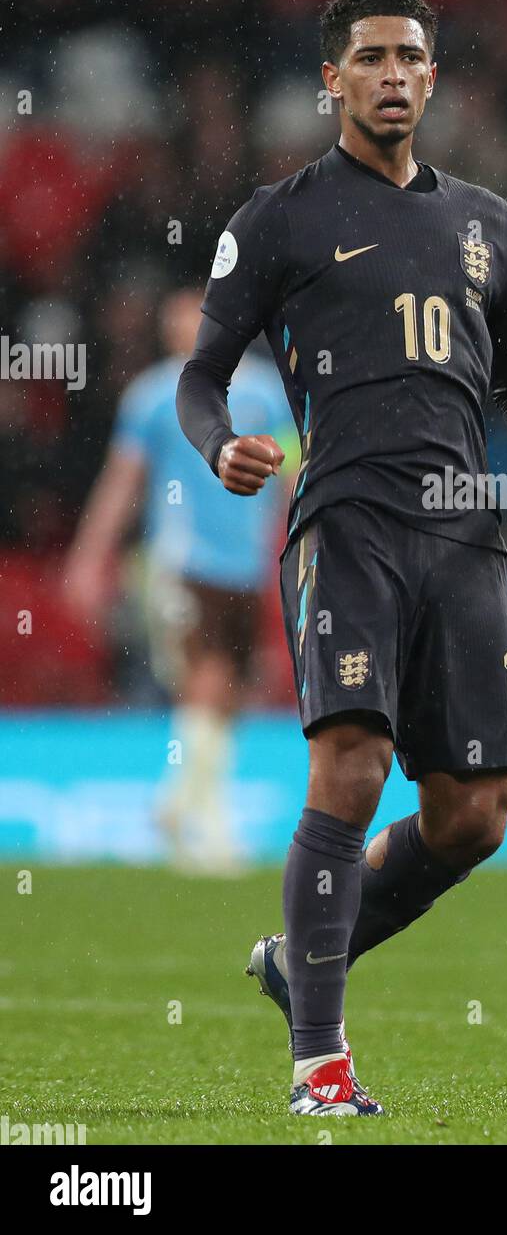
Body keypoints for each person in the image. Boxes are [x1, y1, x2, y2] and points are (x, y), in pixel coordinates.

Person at [176, 0, 507, 1116]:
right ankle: (319, 1063)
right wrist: (222, 446)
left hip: (464, 534)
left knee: (472, 814)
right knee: (349, 764)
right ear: (330, 79)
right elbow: (200, 375)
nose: (393, 74)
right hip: (346, 524)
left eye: (411, 57)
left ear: (432, 79)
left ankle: (297, 964)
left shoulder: (490, 226)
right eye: (370, 57)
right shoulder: (275, 218)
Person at [63, 287, 291, 873]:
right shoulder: (154, 394)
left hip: (246, 563)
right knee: (207, 674)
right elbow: (124, 481)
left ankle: (174, 801)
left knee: (232, 685)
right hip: (180, 561)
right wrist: (92, 554)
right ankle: (209, 824)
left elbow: (293, 469)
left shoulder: (267, 388)